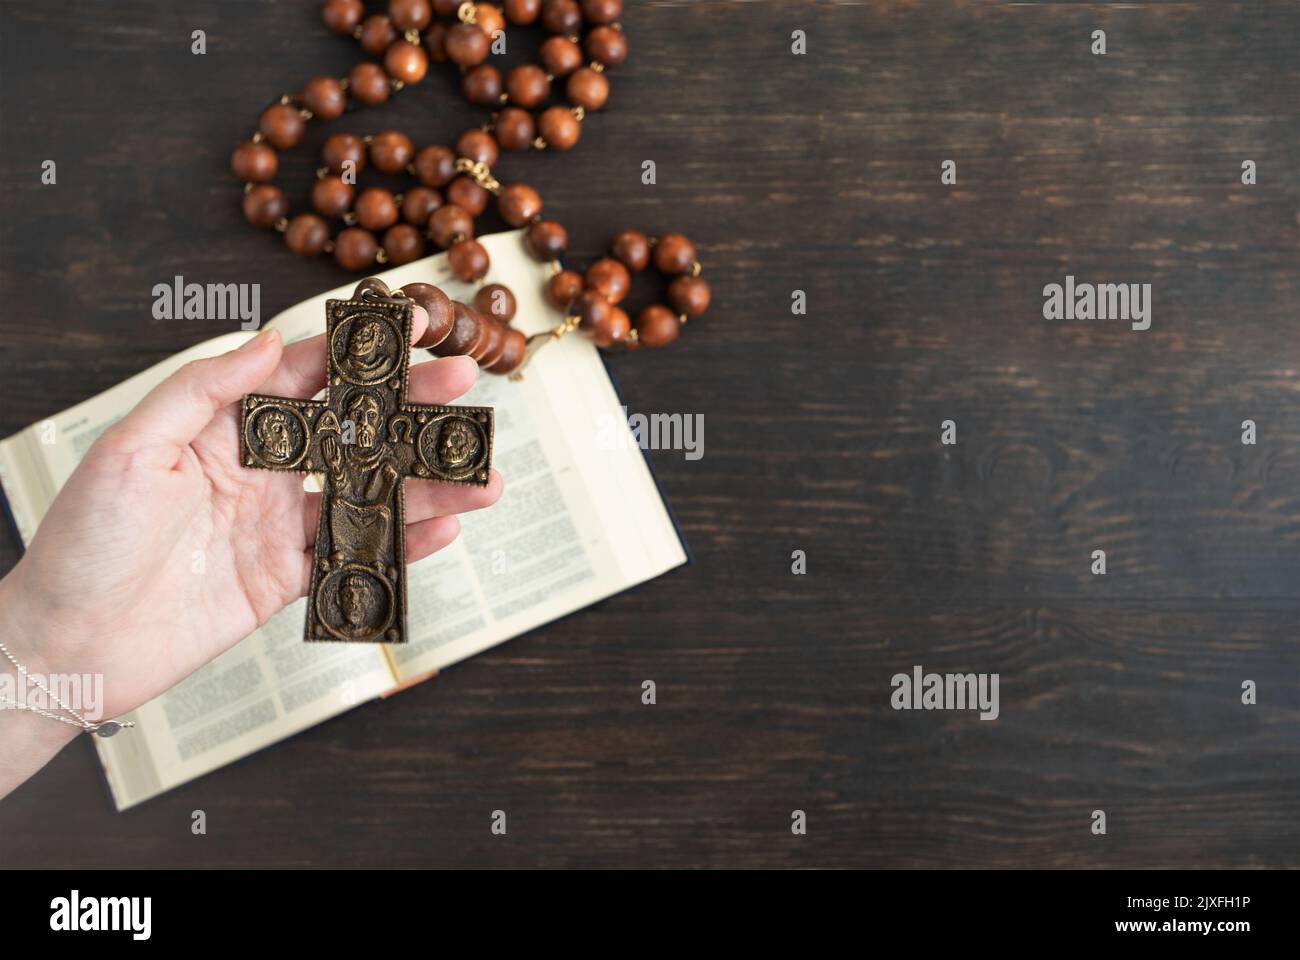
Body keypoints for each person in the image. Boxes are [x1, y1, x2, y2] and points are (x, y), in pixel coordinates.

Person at [0, 305, 502, 800]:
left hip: (364, 503)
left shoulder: (390, 443)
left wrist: (47, 656)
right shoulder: (313, 433)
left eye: (374, 418)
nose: (366, 425)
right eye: (360, 415)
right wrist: (44, 648)